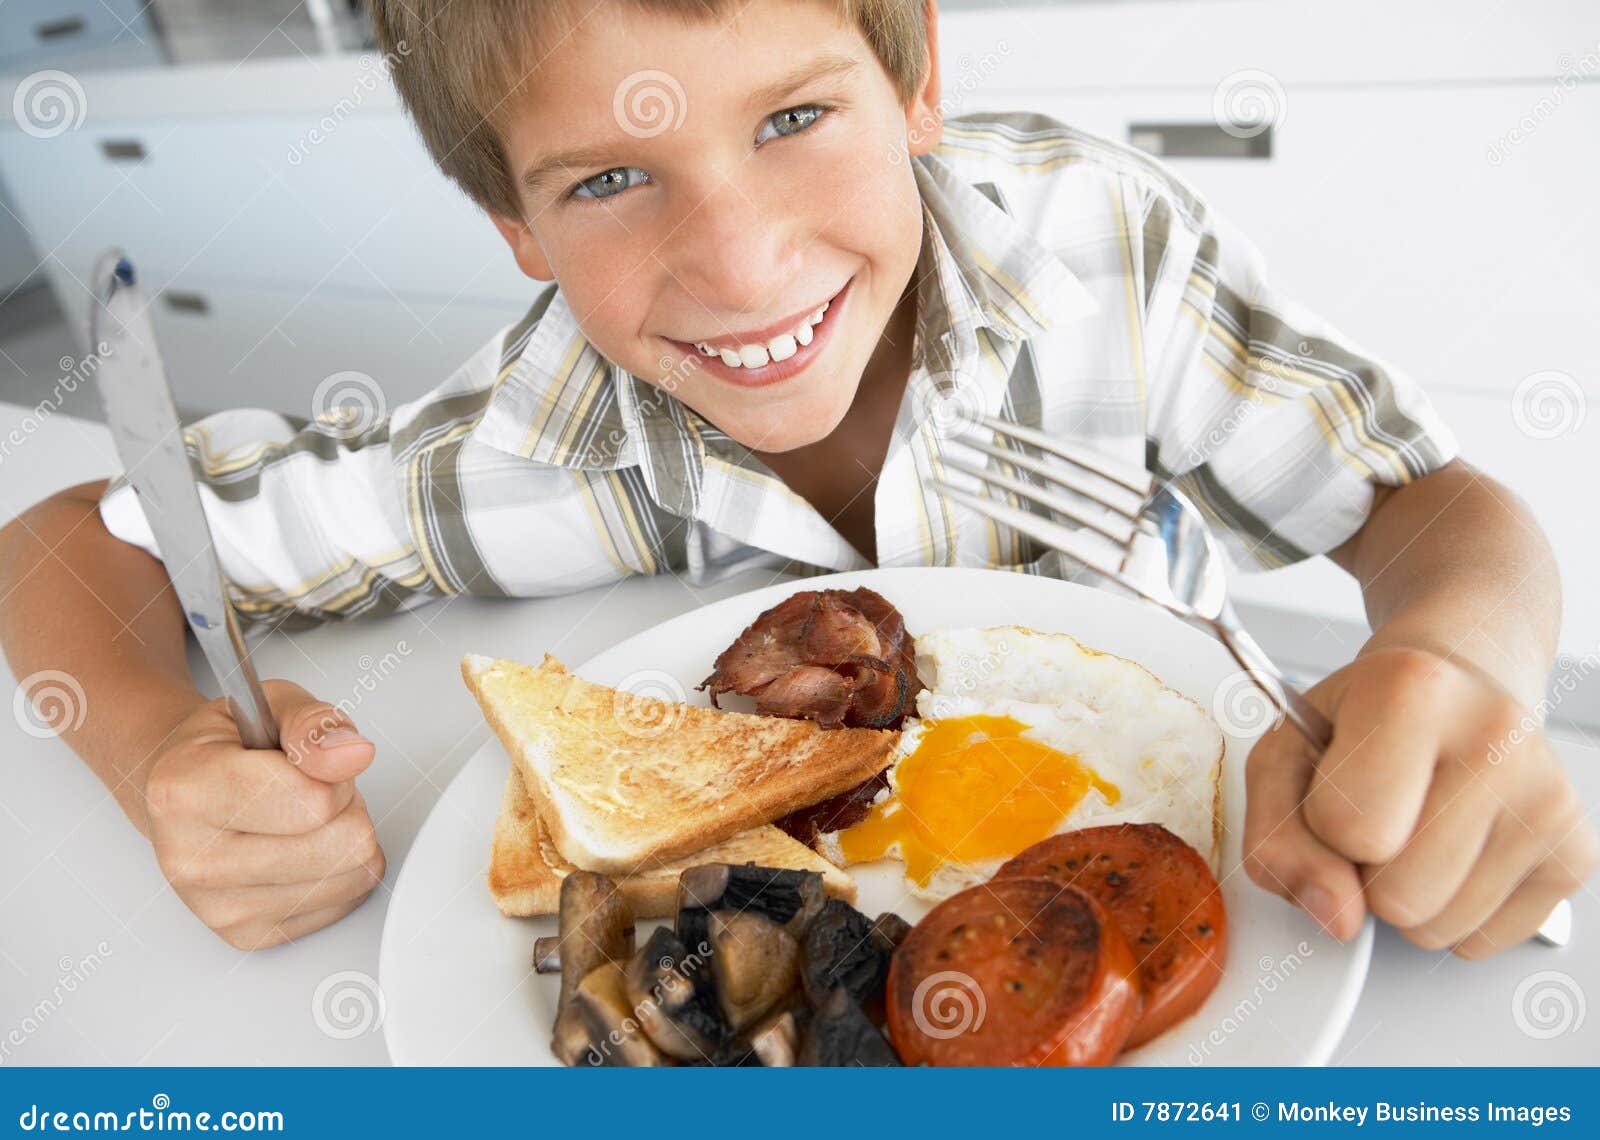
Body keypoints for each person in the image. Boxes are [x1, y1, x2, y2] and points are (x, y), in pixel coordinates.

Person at [1, 0, 1592, 953]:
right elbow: (70, 538)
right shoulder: (526, 447)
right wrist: (156, 751)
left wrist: (1461, 660)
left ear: (916, 81)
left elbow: (1434, 515)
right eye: (608, 179)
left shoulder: (1103, 252)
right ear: (514, 228)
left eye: (797, 116)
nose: (743, 261)